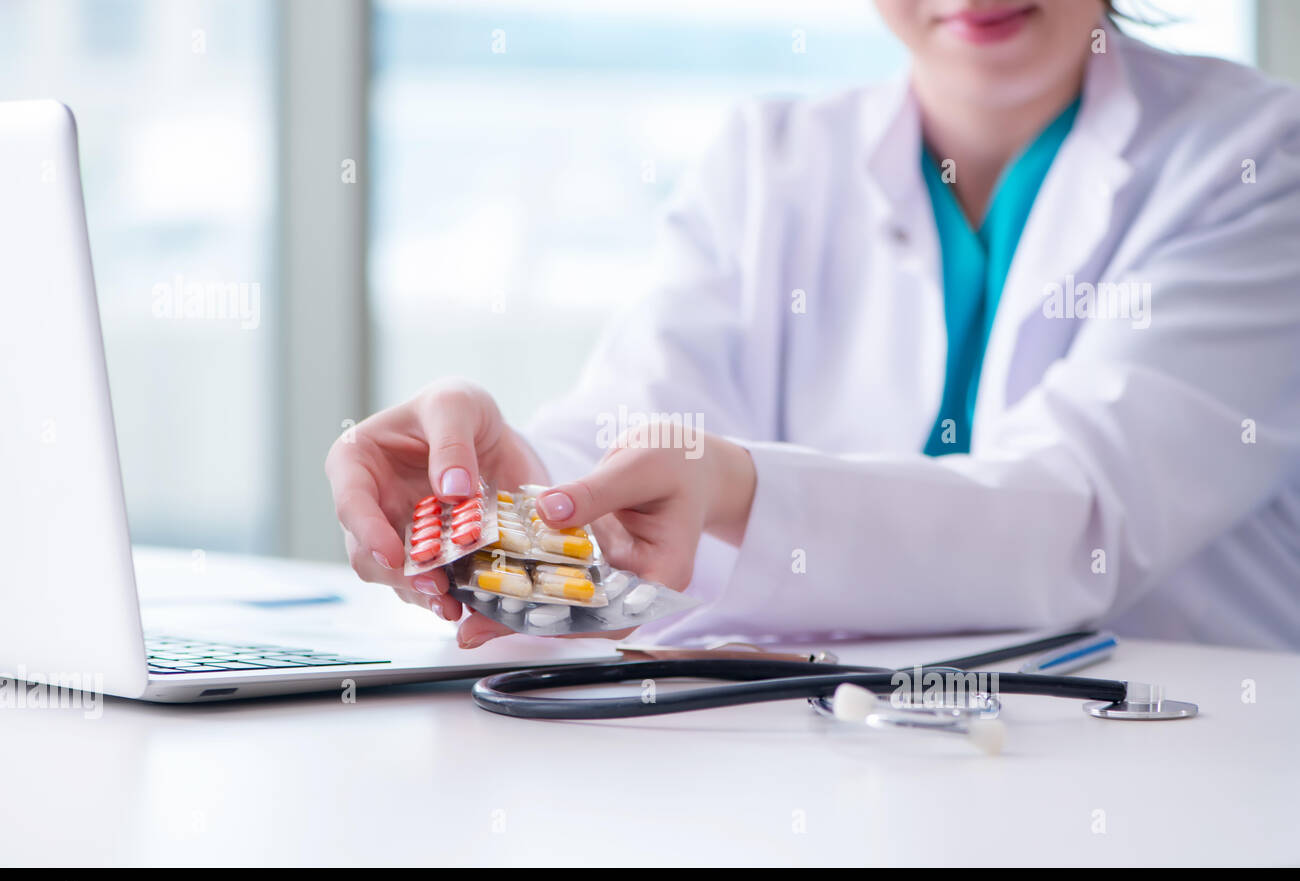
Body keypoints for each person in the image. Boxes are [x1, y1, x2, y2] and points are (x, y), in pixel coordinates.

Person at [326, 1, 1300, 651]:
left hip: (1178, 766)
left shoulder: (1257, 162)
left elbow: (1080, 517)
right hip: (862, 760)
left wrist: (741, 492)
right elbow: (644, 428)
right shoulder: (772, 161)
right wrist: (517, 493)